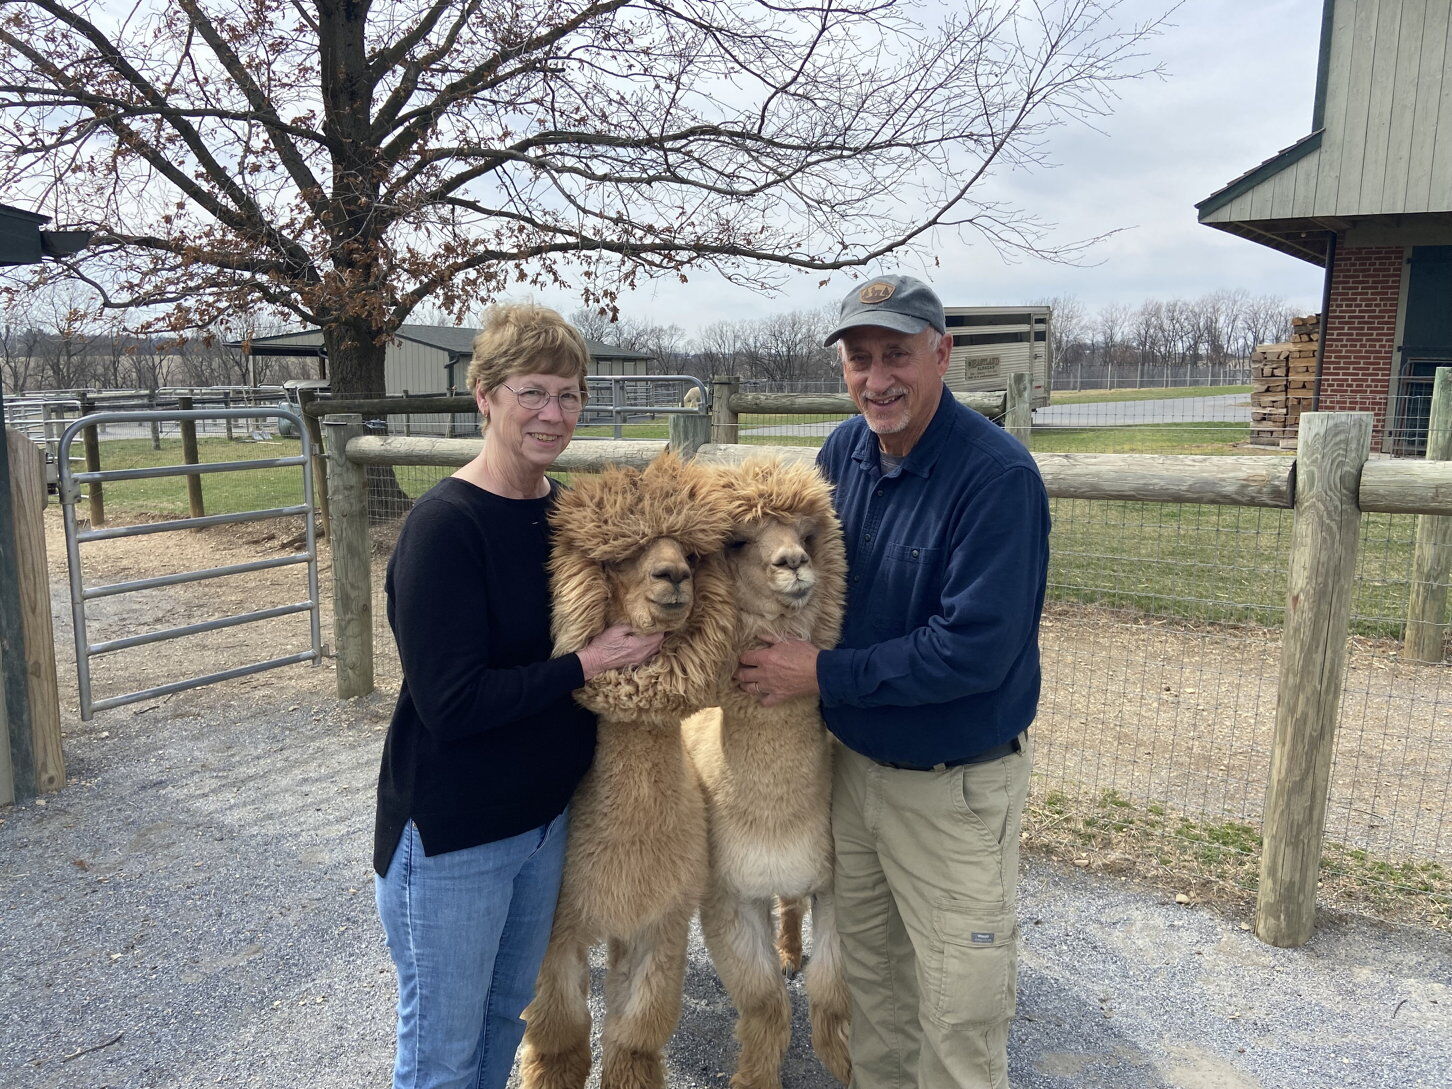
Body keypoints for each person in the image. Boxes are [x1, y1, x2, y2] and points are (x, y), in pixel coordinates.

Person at [735, 275, 1050, 1089]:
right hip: (852, 773)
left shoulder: (996, 480)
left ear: (942, 353)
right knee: (871, 1000)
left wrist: (821, 673)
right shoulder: (842, 456)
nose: (877, 378)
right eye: (860, 358)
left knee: (958, 1018)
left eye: (897, 355)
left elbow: (971, 650)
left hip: (952, 791)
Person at [373, 303, 664, 1089]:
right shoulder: (446, 527)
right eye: (532, 392)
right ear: (485, 396)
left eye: (569, 395)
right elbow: (452, 702)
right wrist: (589, 663)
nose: (553, 413)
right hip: (456, 836)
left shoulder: (566, 515)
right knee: (442, 1051)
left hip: (541, 828)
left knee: (505, 1021)